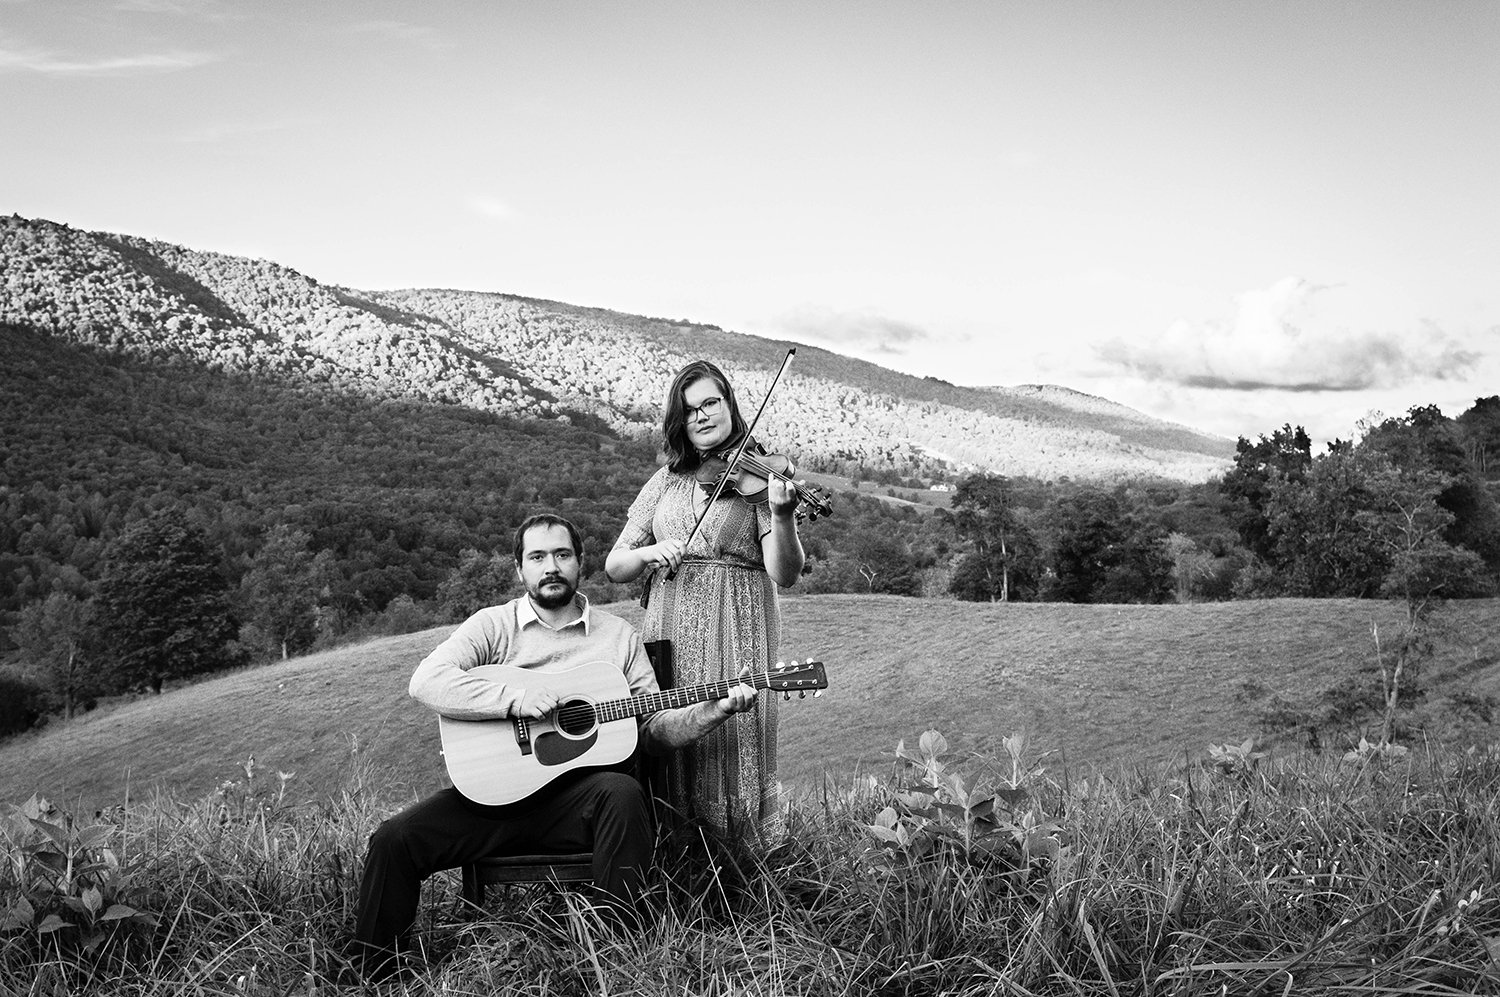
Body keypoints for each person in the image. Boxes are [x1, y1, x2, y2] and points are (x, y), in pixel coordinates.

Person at [349, 513, 755, 977]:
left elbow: (653, 729)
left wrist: (714, 710)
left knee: (623, 793)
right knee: (394, 839)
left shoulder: (618, 636)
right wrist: (514, 700)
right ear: (519, 569)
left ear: (580, 562)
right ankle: (371, 975)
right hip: (493, 801)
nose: (551, 567)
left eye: (562, 554)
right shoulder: (492, 626)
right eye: (537, 557)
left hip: (579, 805)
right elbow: (426, 681)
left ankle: (615, 961)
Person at [604, 359, 805, 845]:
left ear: (729, 405)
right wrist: (650, 551)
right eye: (689, 410)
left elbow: (786, 572)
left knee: (731, 738)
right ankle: (675, 858)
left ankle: (742, 865)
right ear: (679, 422)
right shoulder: (665, 481)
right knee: (669, 737)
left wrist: (782, 515)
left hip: (737, 625)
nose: (701, 416)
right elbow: (616, 565)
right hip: (667, 631)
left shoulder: (759, 481)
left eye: (710, 403)